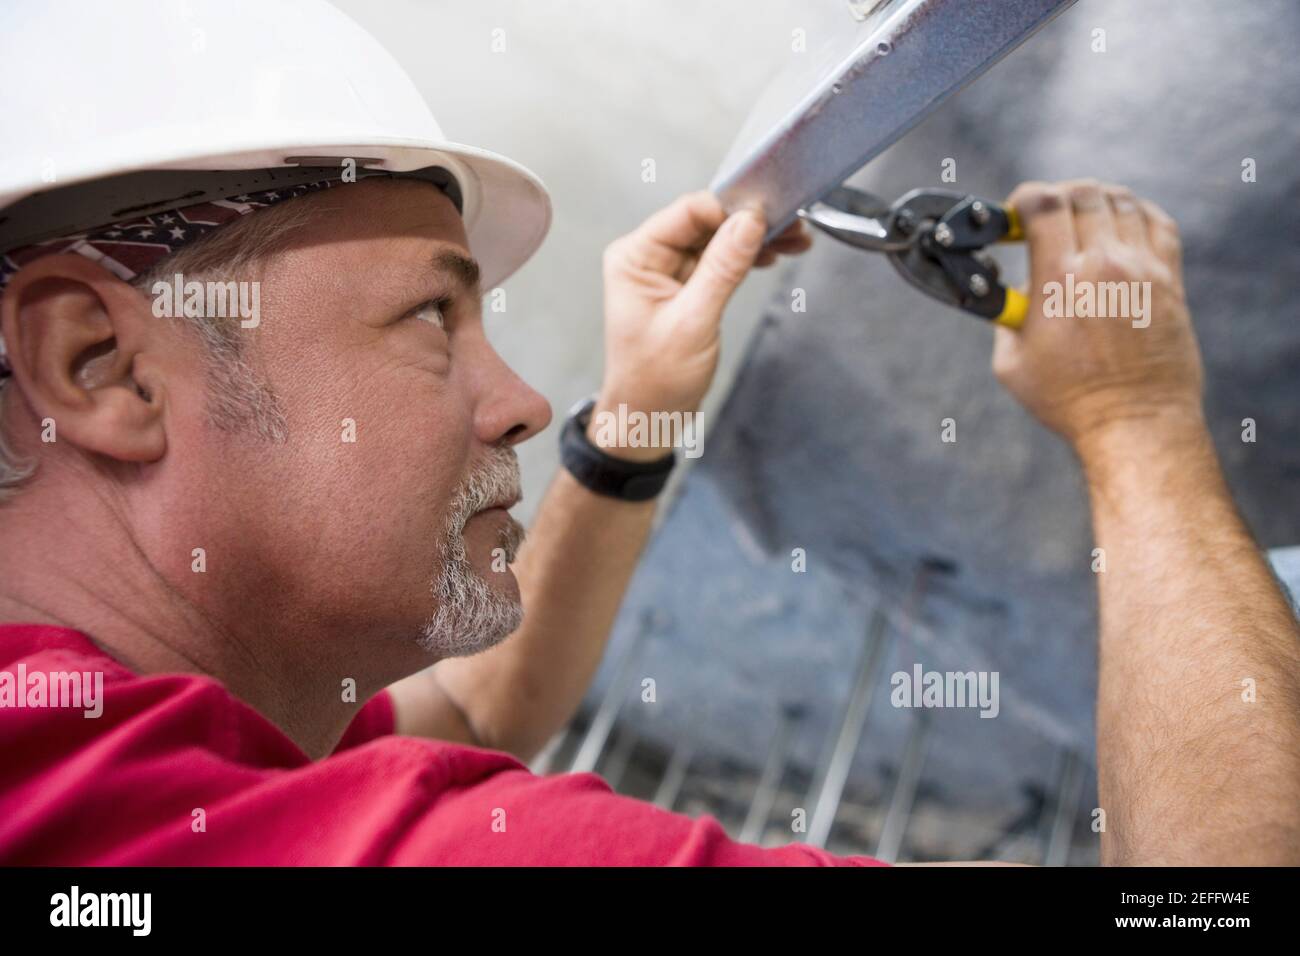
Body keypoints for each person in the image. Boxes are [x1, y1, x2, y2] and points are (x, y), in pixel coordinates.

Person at [2, 0, 1297, 865]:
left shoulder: (114, 775)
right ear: (101, 366)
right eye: (427, 321)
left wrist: (634, 423)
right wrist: (1137, 420)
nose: (516, 401)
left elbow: (472, 707)